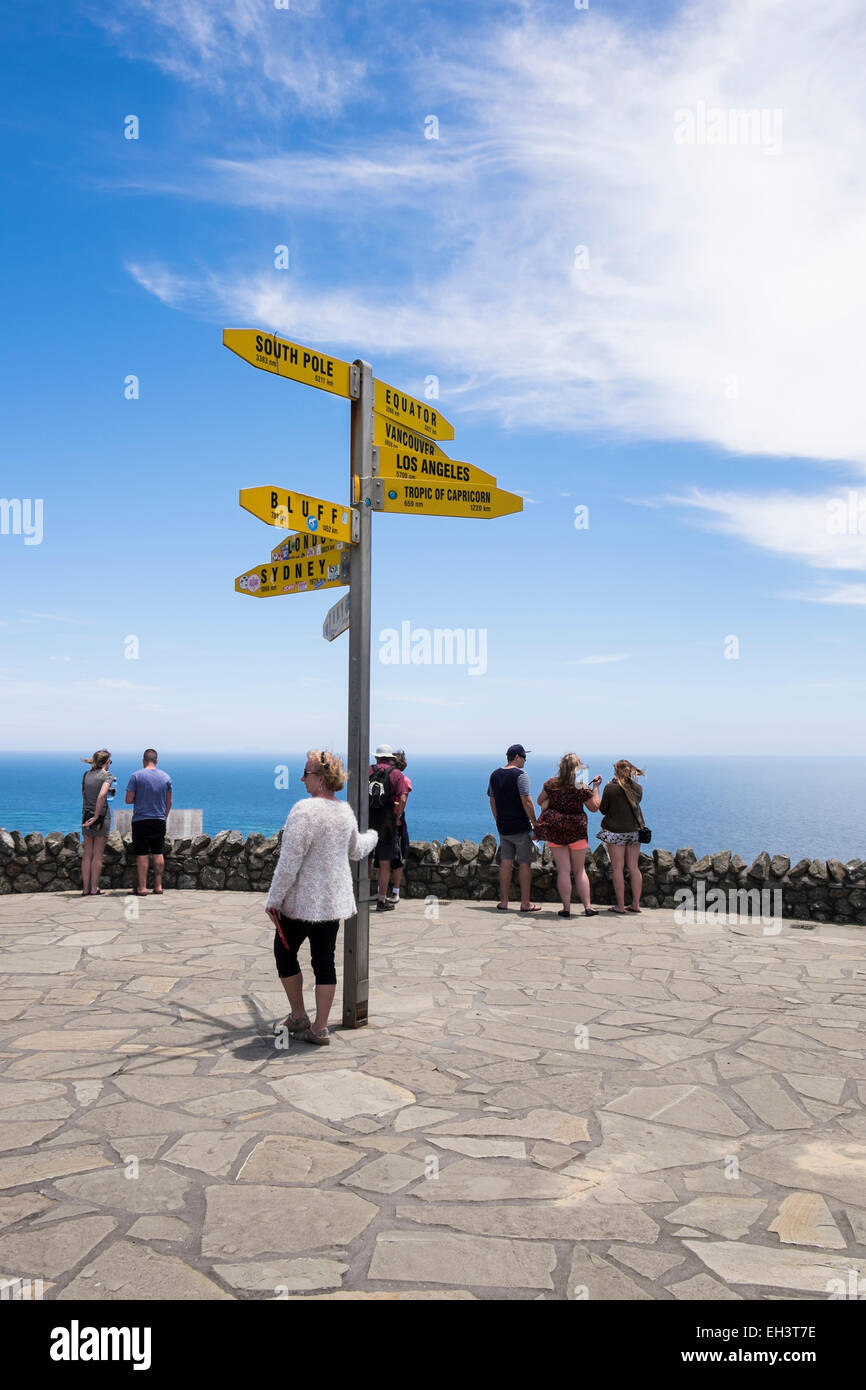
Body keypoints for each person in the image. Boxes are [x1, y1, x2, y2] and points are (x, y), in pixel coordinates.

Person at [266, 749, 377, 1044]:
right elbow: (356, 849)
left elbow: (289, 863)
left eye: (307, 773)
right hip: (331, 905)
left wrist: (273, 899)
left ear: (322, 778)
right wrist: (375, 836)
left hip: (300, 904)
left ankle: (299, 1015)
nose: (302, 778)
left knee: (284, 954)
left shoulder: (304, 811)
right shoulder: (344, 812)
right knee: (324, 962)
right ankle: (320, 1028)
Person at [536, 753, 602, 918]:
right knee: (579, 871)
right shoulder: (581, 785)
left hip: (556, 829)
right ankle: (588, 907)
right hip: (577, 831)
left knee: (564, 871)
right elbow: (594, 808)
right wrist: (595, 787)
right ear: (578, 767)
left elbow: (539, 801)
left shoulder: (551, 783)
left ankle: (566, 908)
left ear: (561, 767)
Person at [487, 743, 541, 913]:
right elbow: (526, 800)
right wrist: (535, 822)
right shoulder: (521, 775)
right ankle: (525, 903)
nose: (525, 760)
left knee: (506, 862)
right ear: (517, 757)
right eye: (524, 757)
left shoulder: (494, 775)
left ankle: (504, 902)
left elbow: (492, 800)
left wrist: (498, 821)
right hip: (520, 826)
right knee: (525, 863)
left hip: (503, 826)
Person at [598, 759, 647, 914]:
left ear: (616, 770)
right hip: (634, 831)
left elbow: (603, 809)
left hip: (615, 832)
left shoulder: (610, 788)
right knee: (634, 867)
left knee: (617, 868)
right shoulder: (637, 788)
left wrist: (607, 786)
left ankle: (620, 905)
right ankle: (636, 904)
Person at [125, 748, 172, 896]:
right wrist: (164, 816)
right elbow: (169, 801)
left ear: (143, 760)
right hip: (159, 819)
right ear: (156, 761)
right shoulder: (166, 777)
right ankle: (158, 886)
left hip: (141, 820)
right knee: (158, 852)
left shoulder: (136, 776)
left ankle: (142, 887)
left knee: (142, 854)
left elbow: (128, 800)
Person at [368, 744, 409, 912]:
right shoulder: (396, 774)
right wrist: (397, 815)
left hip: (368, 820)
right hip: (386, 823)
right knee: (385, 863)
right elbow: (403, 798)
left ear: (376, 757)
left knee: (366, 859)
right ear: (390, 757)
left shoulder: (368, 771)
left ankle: (361, 893)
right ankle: (382, 899)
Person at [80, 750, 115, 895]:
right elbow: (102, 795)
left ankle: (85, 888)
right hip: (100, 815)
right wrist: (96, 816)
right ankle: (94, 888)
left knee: (87, 854)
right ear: (107, 762)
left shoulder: (86, 775)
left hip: (85, 814)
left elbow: (84, 794)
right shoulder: (108, 776)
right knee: (97, 854)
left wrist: (89, 813)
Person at [386, 749, 412, 905]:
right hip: (389, 821)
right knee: (383, 859)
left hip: (396, 822)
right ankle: (384, 890)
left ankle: (395, 891)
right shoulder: (388, 778)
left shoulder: (403, 780)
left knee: (397, 859)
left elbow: (402, 803)